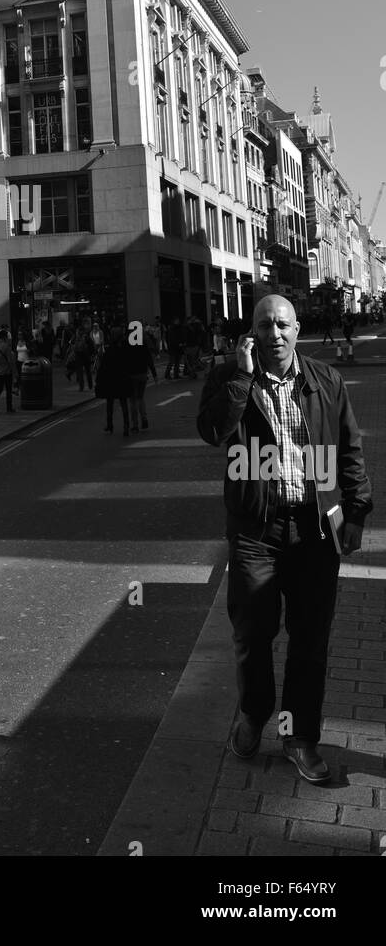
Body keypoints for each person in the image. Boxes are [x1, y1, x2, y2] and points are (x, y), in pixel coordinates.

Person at [197, 294, 372, 783]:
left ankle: (299, 737)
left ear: (297, 330)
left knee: (310, 639)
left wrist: (357, 512)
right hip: (257, 530)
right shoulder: (229, 378)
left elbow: (349, 448)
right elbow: (213, 431)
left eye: (282, 325)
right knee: (252, 632)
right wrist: (241, 377)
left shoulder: (325, 380)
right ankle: (254, 714)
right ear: (249, 334)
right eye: (263, 325)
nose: (273, 334)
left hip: (316, 528)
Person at [95, 328, 124, 434]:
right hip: (121, 379)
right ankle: (127, 426)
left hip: (111, 380)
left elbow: (103, 366)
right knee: (123, 402)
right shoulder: (123, 348)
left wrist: (99, 379)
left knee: (110, 403)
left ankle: (110, 425)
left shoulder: (109, 349)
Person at [0, 329, 15, 414]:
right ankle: (9, 407)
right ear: (5, 337)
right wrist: (14, 372)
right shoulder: (6, 346)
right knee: (8, 389)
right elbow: (10, 360)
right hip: (6, 371)